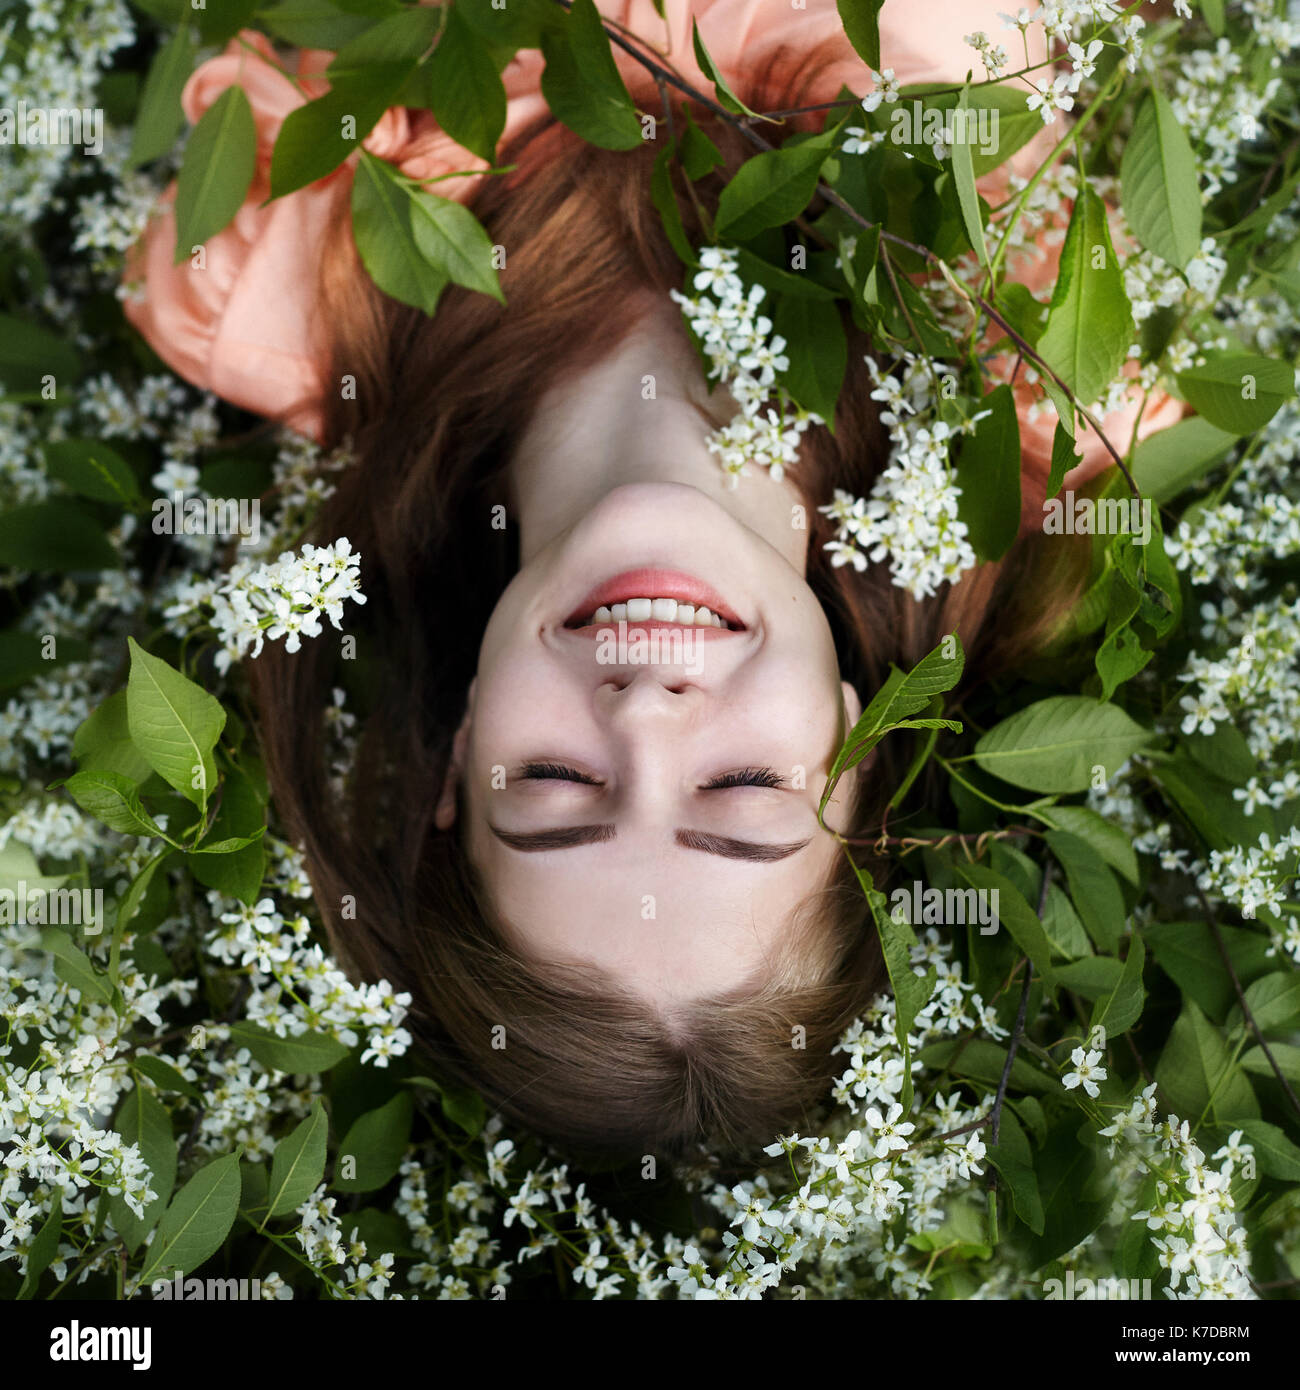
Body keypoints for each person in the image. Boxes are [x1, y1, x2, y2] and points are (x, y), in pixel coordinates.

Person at [122, 0, 1178, 1157]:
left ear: (462, 753)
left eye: (560, 782)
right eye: (741, 793)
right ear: (859, 749)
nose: (645, 713)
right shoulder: (1042, 365)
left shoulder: (277, 262)